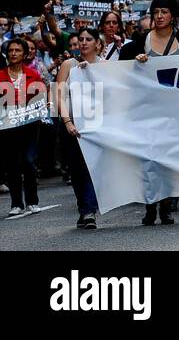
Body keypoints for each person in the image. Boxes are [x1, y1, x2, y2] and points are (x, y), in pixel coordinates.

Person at [55, 28, 104, 228]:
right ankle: (84, 208)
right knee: (77, 170)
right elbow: (58, 94)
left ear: (97, 43)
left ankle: (89, 212)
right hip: (72, 126)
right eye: (80, 39)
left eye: (88, 39)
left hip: (98, 126)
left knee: (92, 168)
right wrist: (67, 121)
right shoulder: (69, 65)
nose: (83, 42)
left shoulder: (105, 66)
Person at [1, 38, 45, 219]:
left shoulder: (33, 75)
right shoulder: (1, 75)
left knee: (28, 161)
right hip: (7, 126)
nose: (13, 53)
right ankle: (16, 203)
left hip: (29, 125)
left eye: (18, 50)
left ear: (25, 53)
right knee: (12, 164)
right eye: (11, 50)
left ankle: (32, 201)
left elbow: (41, 98)